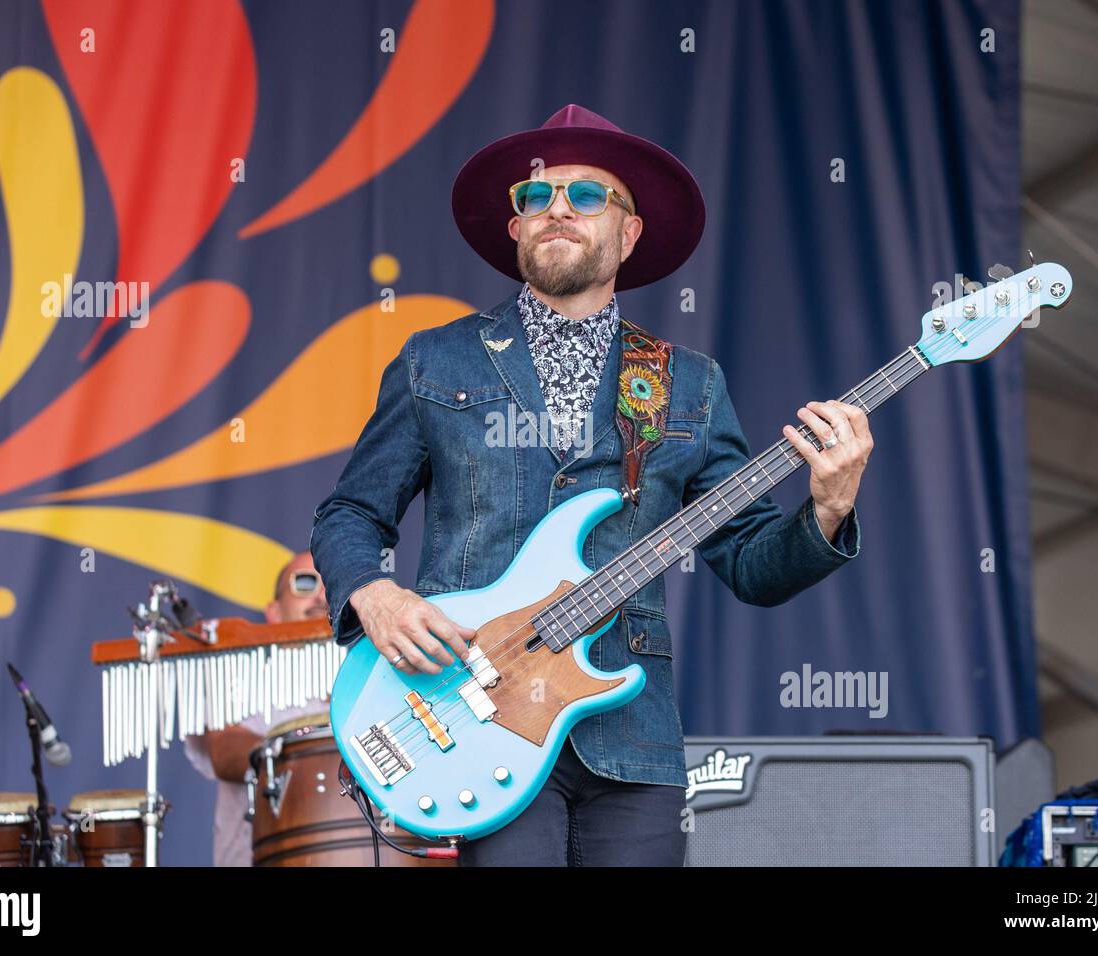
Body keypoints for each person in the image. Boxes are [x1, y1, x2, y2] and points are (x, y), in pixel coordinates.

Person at [310, 105, 871, 866]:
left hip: (630, 736)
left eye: (585, 196)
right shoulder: (437, 361)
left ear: (629, 233)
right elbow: (351, 512)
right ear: (515, 230)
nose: (557, 210)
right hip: (475, 708)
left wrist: (829, 508)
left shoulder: (688, 385)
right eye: (536, 198)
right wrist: (373, 596)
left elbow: (748, 562)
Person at [183, 552, 332, 867]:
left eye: (331, 585)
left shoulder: (367, 674)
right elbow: (224, 753)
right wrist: (300, 758)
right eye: (305, 583)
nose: (320, 595)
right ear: (274, 612)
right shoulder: (240, 672)